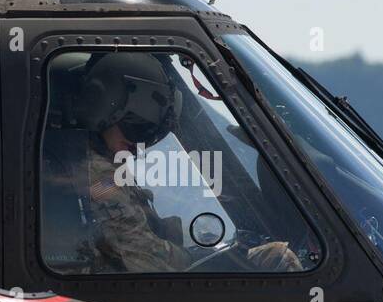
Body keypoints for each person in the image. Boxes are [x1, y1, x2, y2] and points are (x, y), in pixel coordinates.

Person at [70, 52, 300, 274]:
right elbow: (142, 255)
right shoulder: (97, 175)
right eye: (136, 126)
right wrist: (200, 257)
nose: (136, 144)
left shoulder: (102, 164)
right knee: (278, 258)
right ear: (101, 104)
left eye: (148, 135)